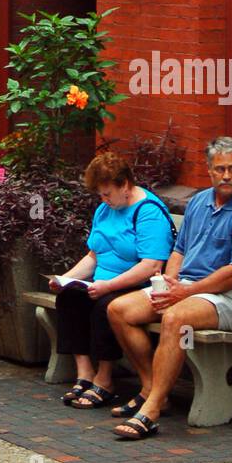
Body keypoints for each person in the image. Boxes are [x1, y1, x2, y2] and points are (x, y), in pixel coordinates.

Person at [107, 136, 232, 440]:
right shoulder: (199, 201)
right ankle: (151, 388)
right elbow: (179, 251)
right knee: (119, 309)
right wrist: (170, 283)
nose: (227, 175)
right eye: (220, 169)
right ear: (209, 171)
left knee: (175, 319)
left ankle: (151, 410)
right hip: (188, 289)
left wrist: (183, 293)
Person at [49, 151, 175, 409]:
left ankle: (105, 377)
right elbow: (94, 255)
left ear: (125, 185)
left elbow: (151, 265)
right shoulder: (105, 210)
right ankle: (84, 373)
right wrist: (66, 278)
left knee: (104, 306)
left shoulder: (148, 212)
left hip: (134, 285)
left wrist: (108, 285)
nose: (104, 199)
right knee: (70, 296)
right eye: (100, 195)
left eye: (108, 193)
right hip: (101, 281)